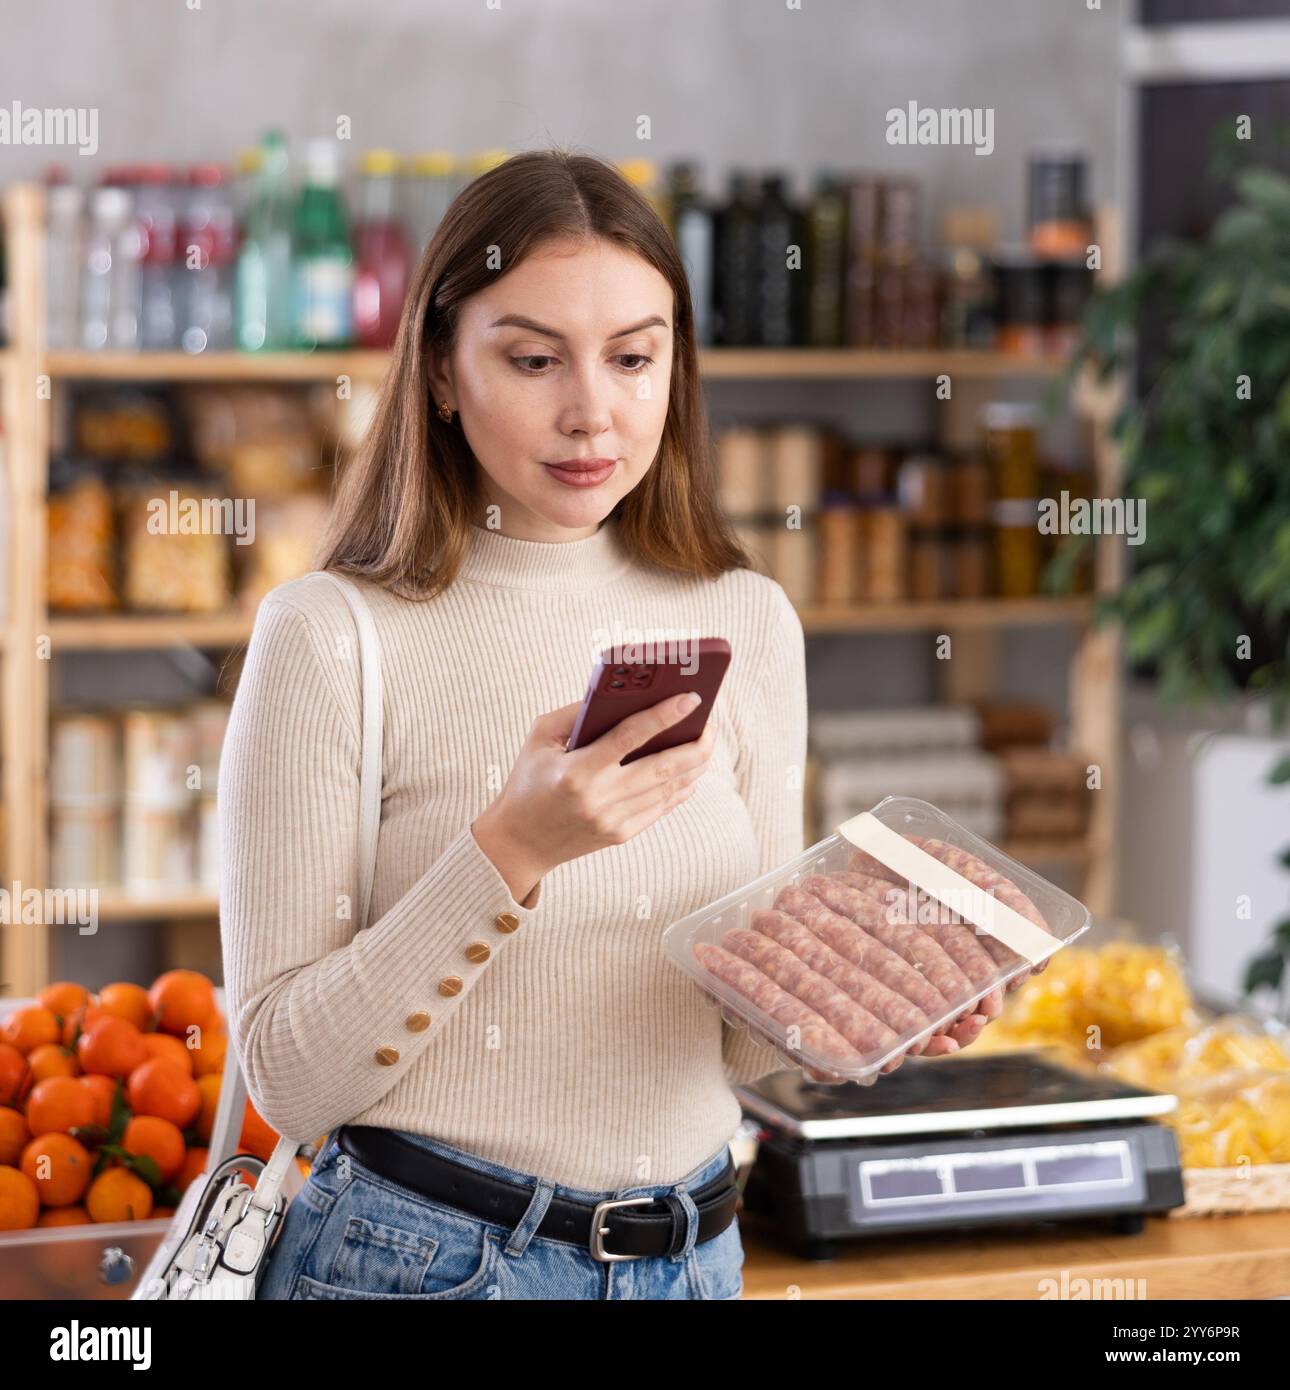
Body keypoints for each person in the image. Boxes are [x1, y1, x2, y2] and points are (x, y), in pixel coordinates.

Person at [222, 148, 1003, 1301]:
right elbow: (286, 1077)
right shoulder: (331, 635)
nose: (592, 410)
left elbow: (739, 1042)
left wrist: (872, 996)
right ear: (440, 368)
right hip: (424, 1261)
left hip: (694, 1257)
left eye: (634, 358)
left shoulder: (746, 617)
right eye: (533, 359)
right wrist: (511, 851)